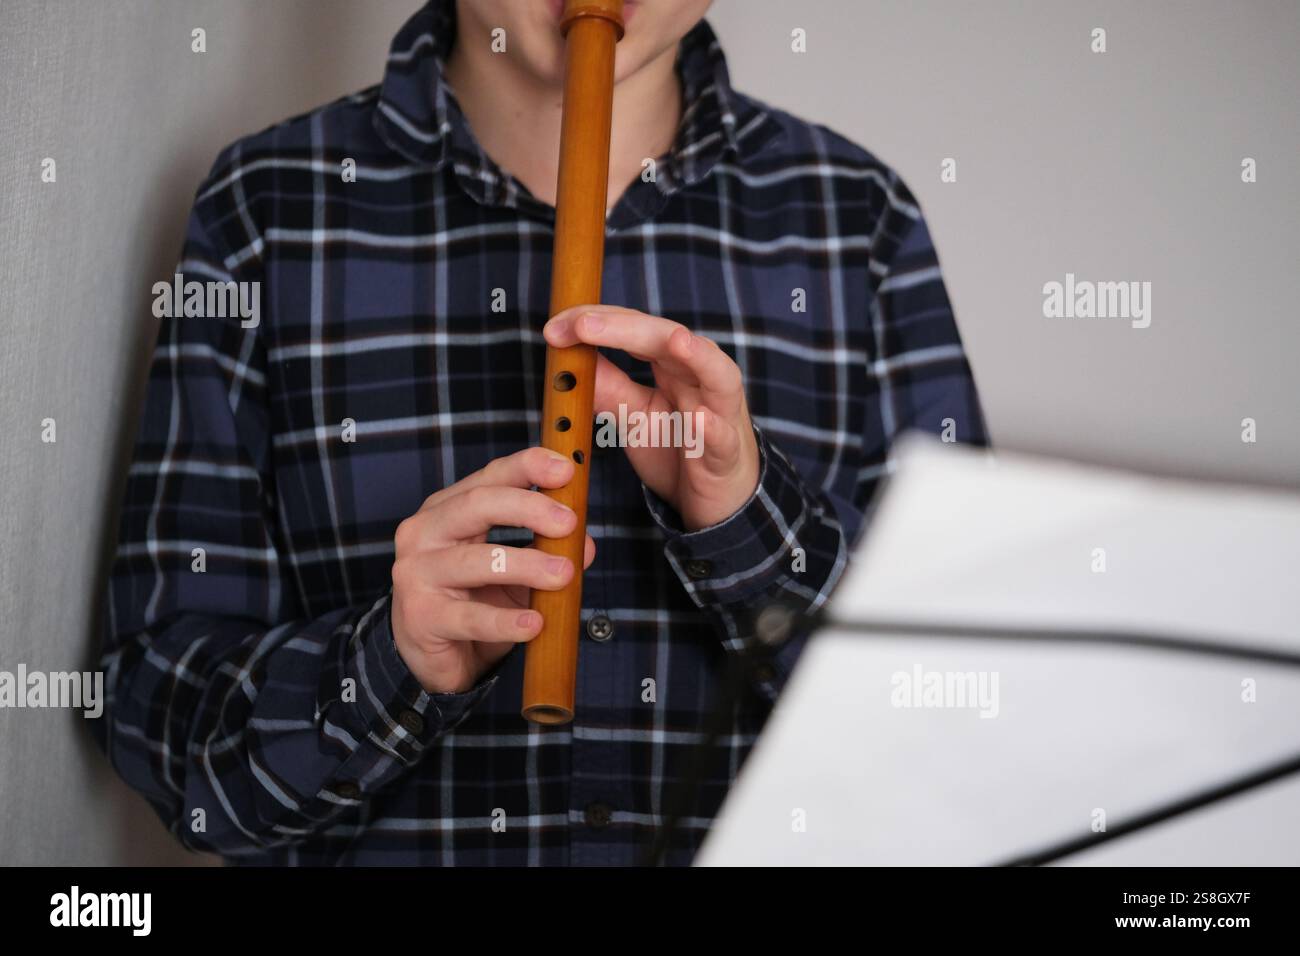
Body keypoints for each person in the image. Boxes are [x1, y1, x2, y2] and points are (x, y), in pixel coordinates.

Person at [98, 0, 987, 865]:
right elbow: (159, 722)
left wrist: (752, 529)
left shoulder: (857, 220)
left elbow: (975, 722)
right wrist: (389, 665)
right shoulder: (268, 210)